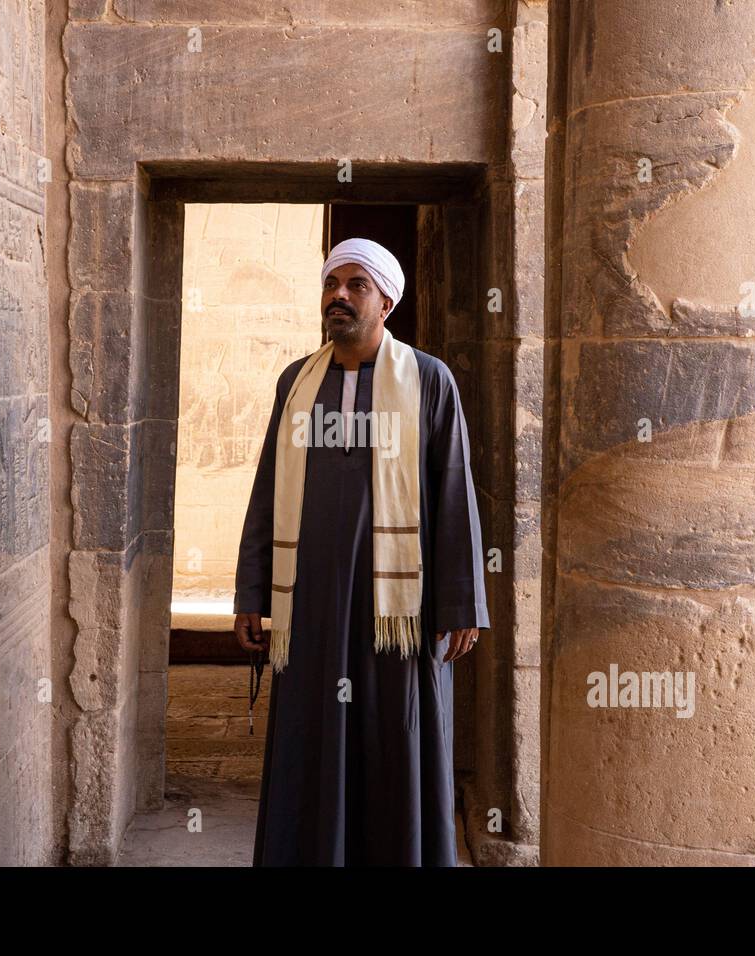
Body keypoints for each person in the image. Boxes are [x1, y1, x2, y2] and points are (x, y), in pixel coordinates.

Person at [233, 237, 489, 866]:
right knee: (313, 742)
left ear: (387, 301)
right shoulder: (296, 383)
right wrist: (251, 593)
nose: (339, 296)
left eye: (356, 286)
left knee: (396, 740)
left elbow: (454, 488)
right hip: (314, 609)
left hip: (396, 612)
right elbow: (269, 486)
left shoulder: (429, 380)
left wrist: (462, 601)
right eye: (332, 284)